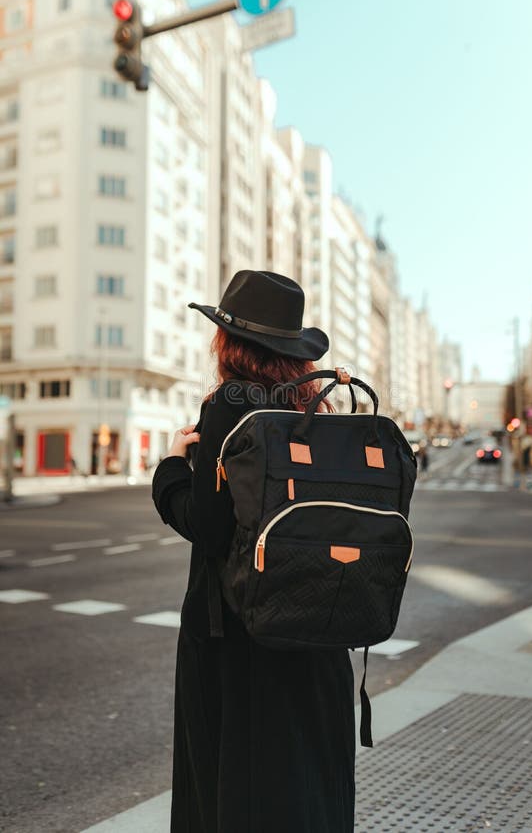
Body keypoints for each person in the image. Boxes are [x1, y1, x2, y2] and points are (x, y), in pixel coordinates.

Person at [151, 270, 355, 833]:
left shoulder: (229, 407)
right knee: (309, 783)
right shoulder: (317, 411)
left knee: (235, 790)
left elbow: (210, 529)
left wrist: (171, 470)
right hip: (317, 627)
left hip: (239, 639)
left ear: (230, 342)